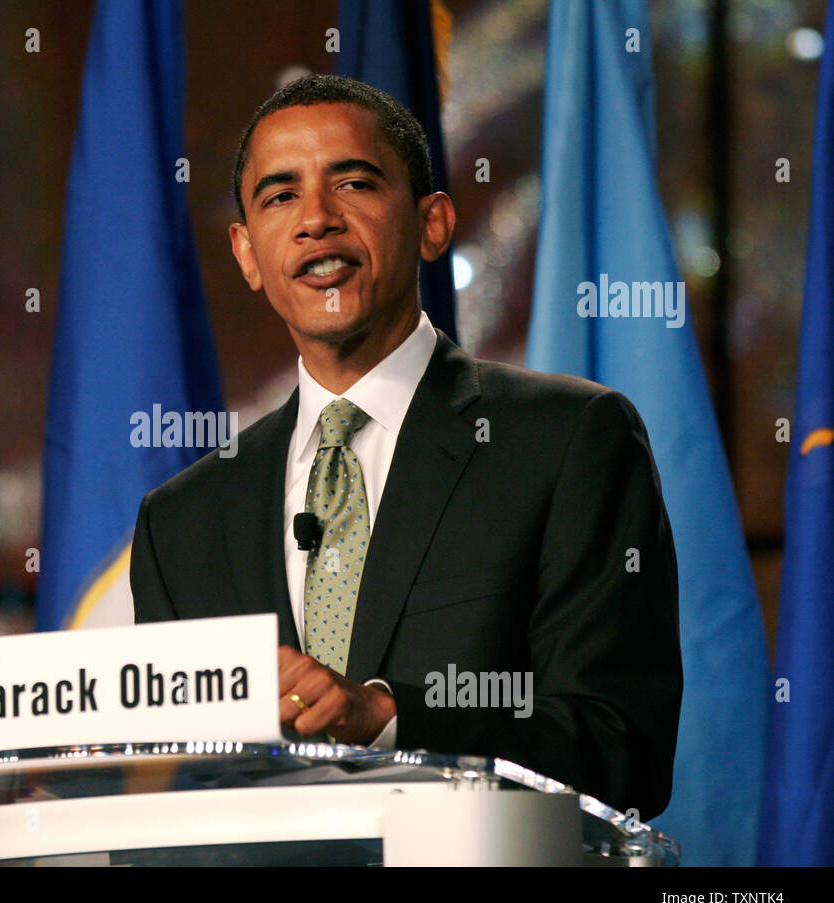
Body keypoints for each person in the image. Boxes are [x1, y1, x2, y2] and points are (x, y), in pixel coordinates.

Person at [129, 74, 681, 819]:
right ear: (247, 254)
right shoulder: (183, 523)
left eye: (353, 183)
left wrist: (389, 719)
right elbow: (171, 792)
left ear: (432, 224)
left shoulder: (567, 441)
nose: (316, 220)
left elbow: (621, 748)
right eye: (280, 196)